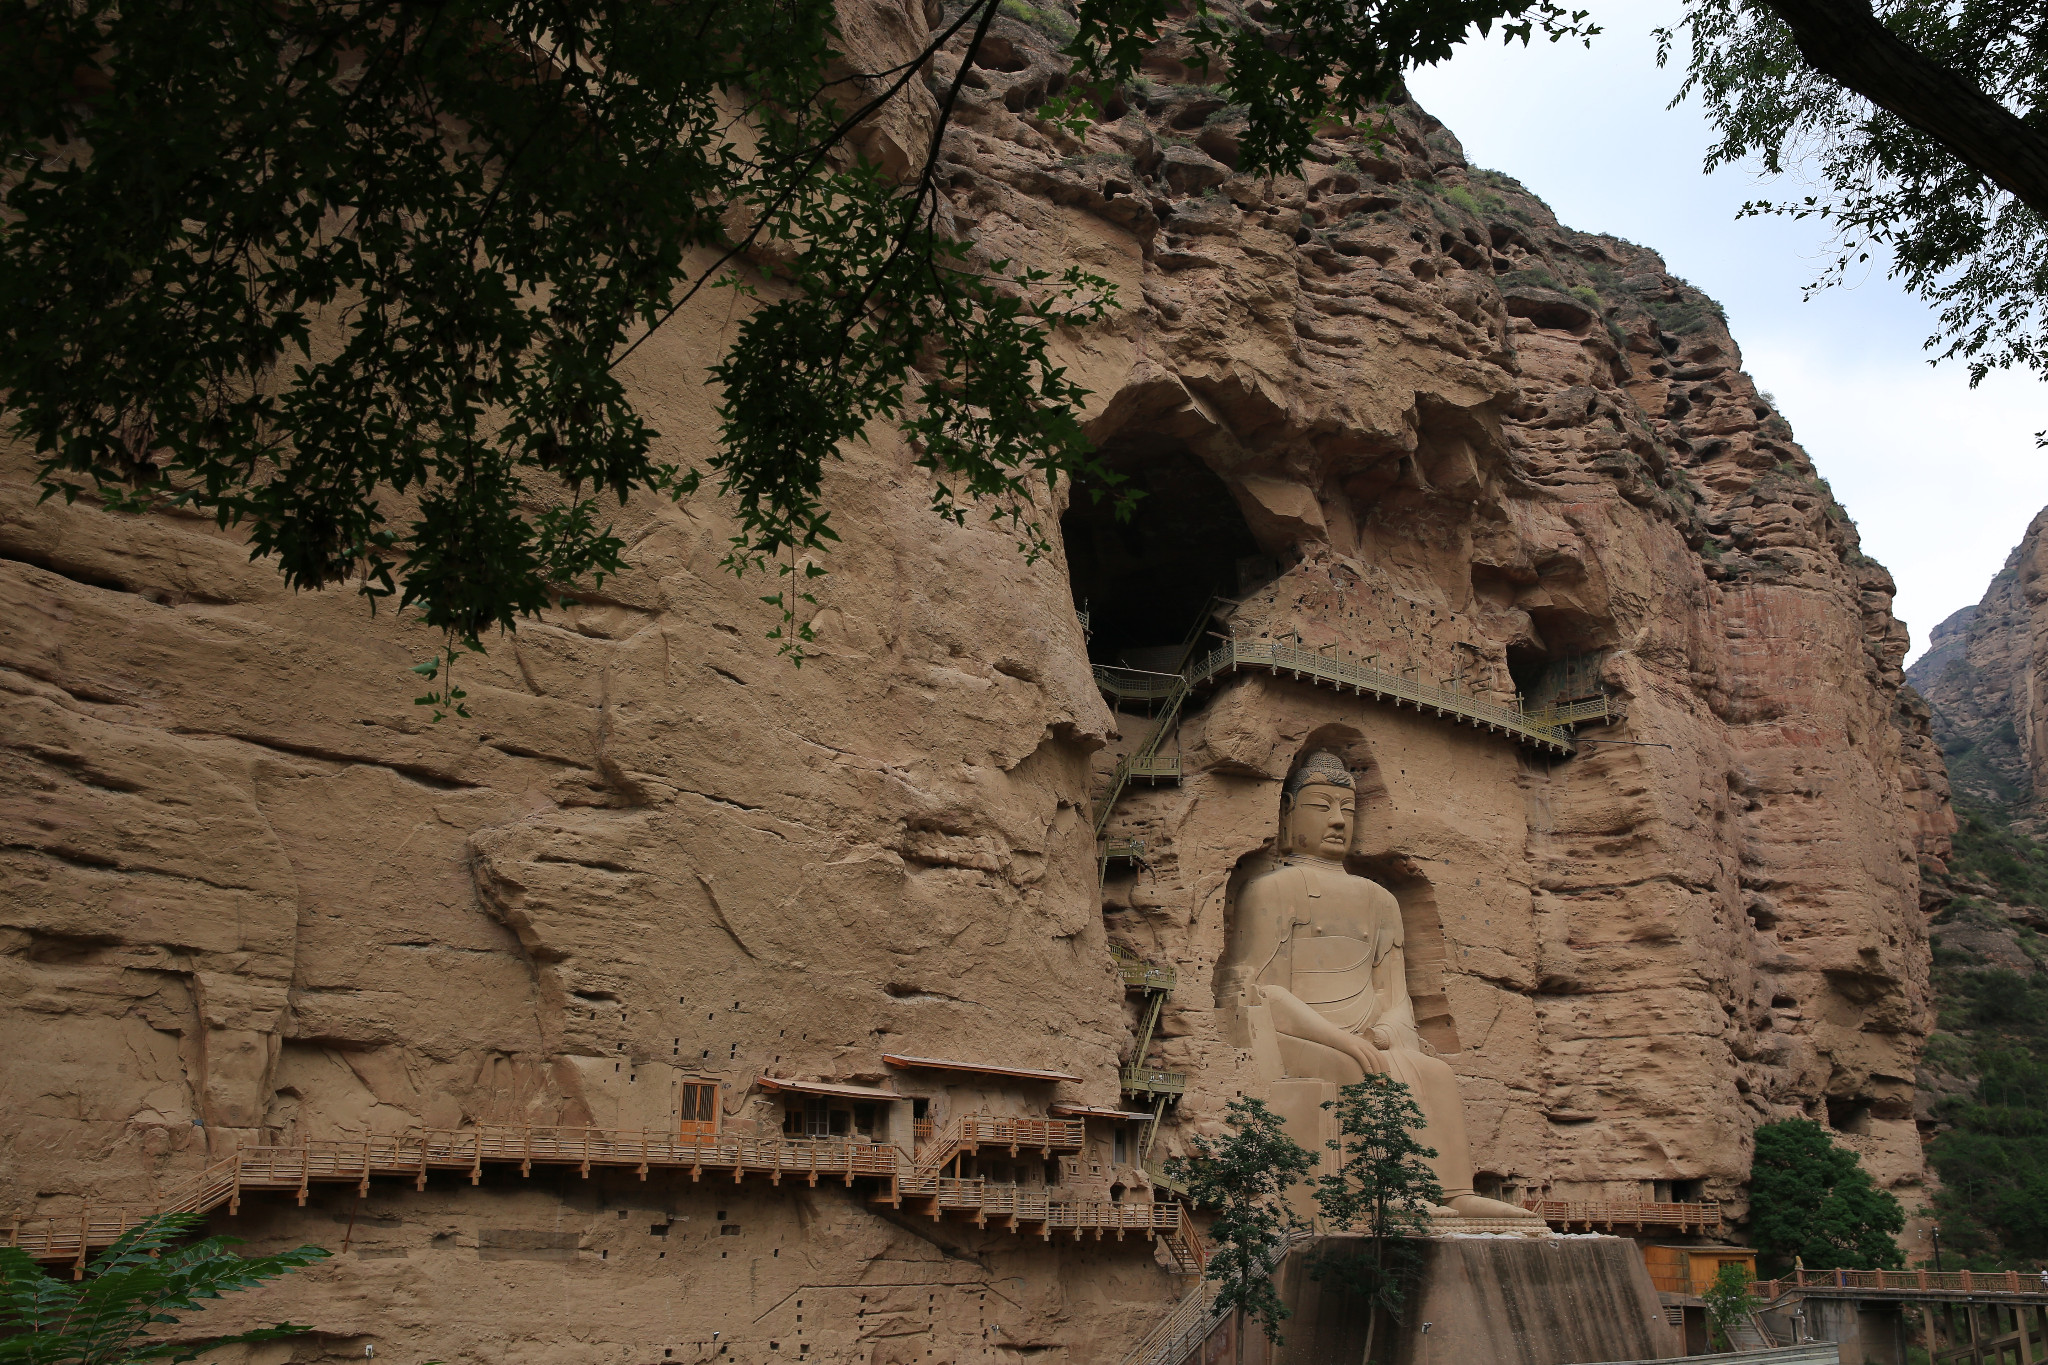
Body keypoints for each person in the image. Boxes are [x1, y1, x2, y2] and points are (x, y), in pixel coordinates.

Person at [1219, 749, 1537, 1222]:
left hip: (1367, 1034)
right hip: (1301, 1033)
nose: (1336, 820)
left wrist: (1388, 1030)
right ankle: (1371, 1192)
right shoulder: (1270, 890)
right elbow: (1261, 991)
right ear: (1288, 813)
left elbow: (1394, 996)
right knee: (1350, 1064)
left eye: (1347, 810)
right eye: (1321, 805)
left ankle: (1448, 1191)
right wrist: (1336, 1036)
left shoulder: (1380, 900)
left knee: (1437, 1074)